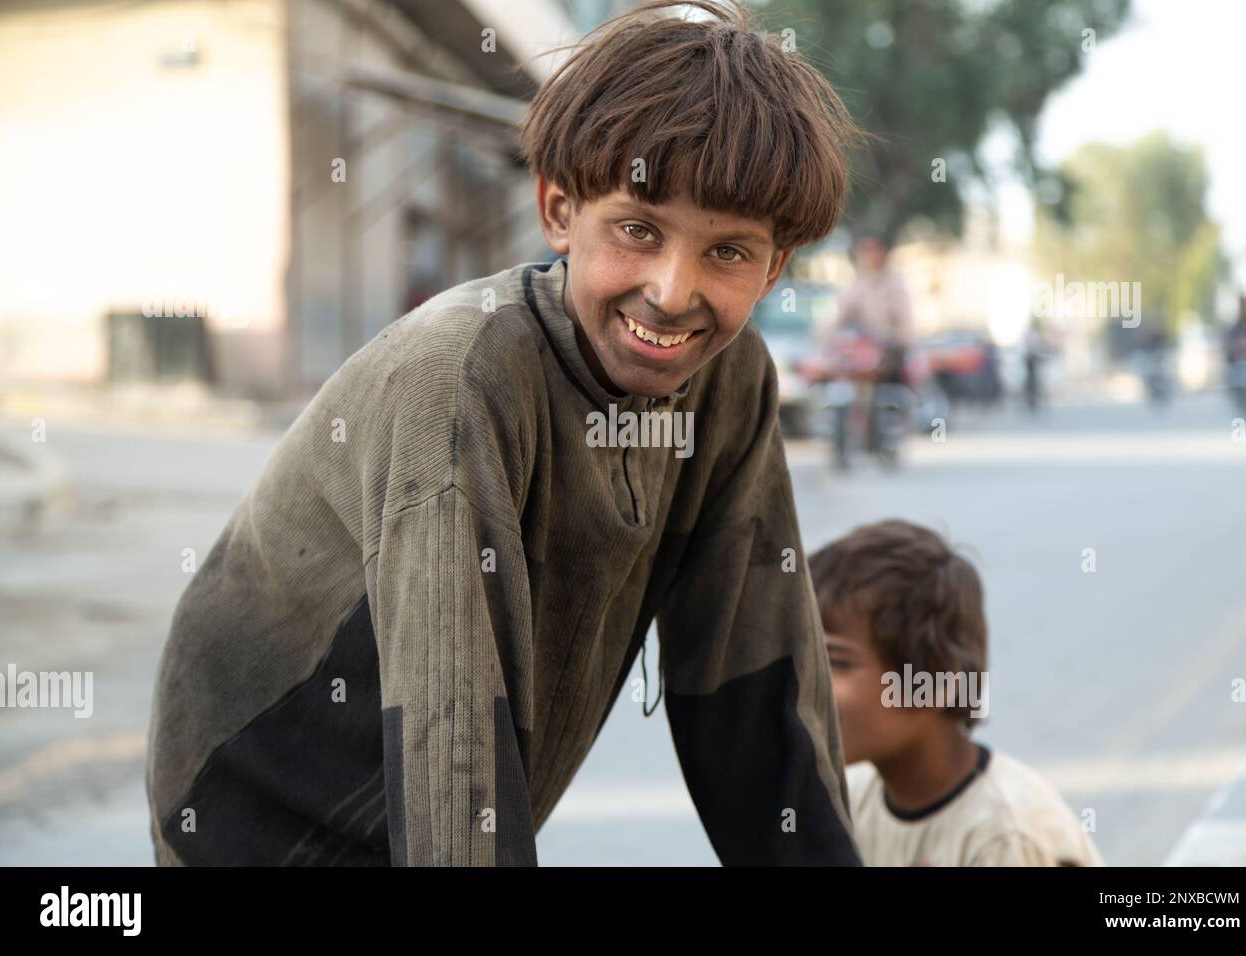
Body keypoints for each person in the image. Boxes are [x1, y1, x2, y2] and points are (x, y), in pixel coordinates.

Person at [145, 0, 865, 866]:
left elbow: (755, 688)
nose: (674, 291)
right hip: (262, 816)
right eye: (638, 230)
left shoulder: (731, 382)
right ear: (559, 211)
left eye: (729, 253)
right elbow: (453, 737)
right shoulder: (462, 380)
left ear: (774, 266)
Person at [808, 519, 1105, 866]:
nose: (809, 682)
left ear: (932, 680)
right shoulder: (854, 801)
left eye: (837, 662)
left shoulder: (1005, 836)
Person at [835, 234, 914, 386]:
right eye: (863, 251)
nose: (867, 256)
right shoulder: (857, 283)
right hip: (858, 354)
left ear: (882, 252)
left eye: (871, 250)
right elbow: (839, 318)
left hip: (889, 355)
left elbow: (906, 331)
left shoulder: (896, 285)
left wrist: (883, 342)